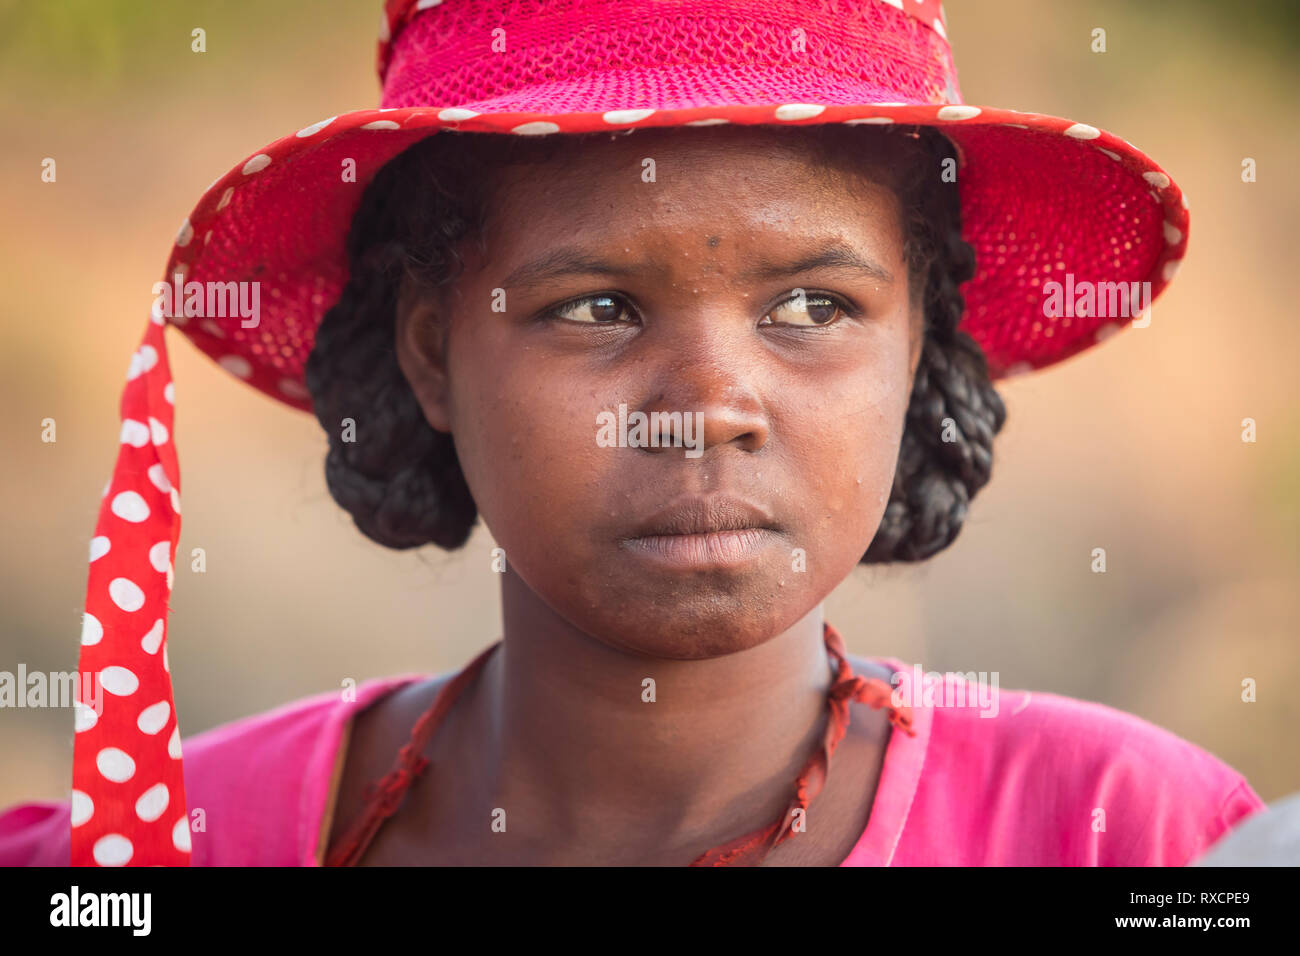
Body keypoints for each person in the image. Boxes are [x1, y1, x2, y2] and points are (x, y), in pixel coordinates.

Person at [0, 0, 1260, 866]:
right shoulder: (170, 838)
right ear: (432, 350)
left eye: (813, 305)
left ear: (918, 339)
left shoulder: (1130, 832)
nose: (710, 403)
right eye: (595, 306)